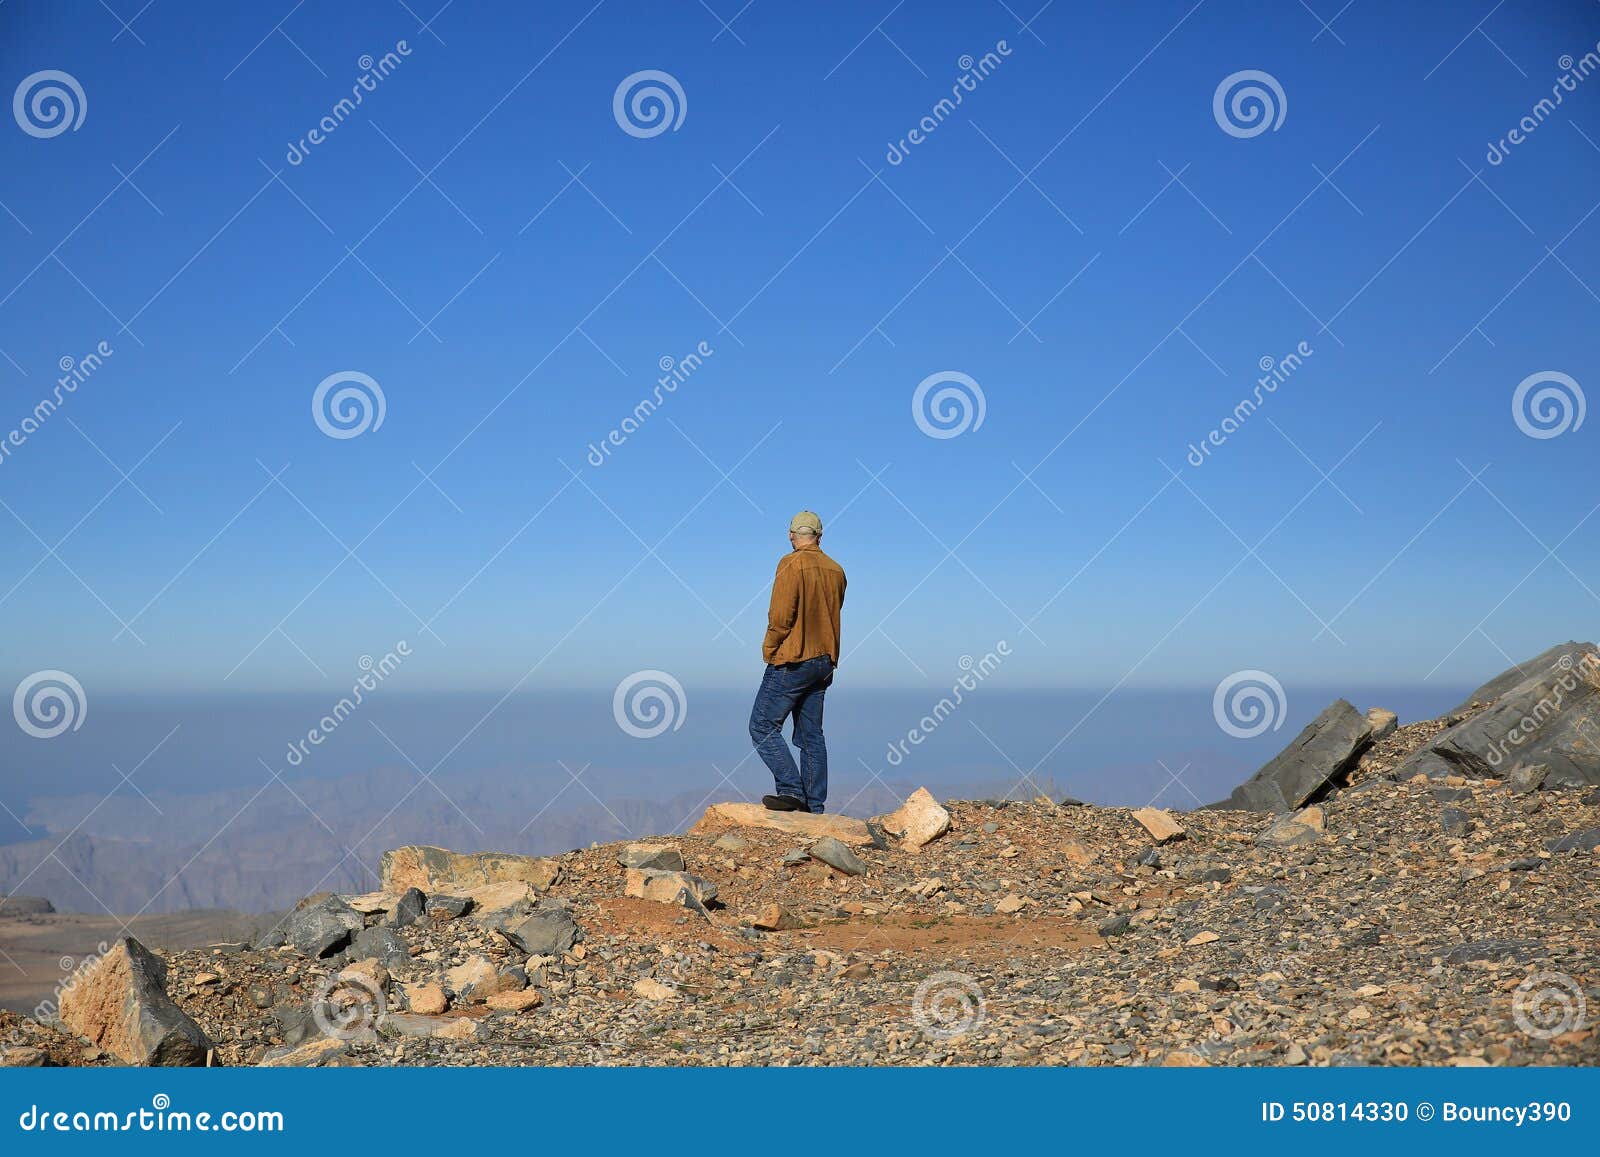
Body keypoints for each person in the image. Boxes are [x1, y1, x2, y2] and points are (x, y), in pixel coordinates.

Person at [749, 510, 846, 814]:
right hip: (824, 661)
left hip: (793, 658)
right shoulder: (836, 570)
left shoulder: (790, 563)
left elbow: (780, 616)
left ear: (791, 535)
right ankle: (814, 805)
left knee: (762, 726)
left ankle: (791, 790)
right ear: (820, 535)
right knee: (810, 735)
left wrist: (770, 649)